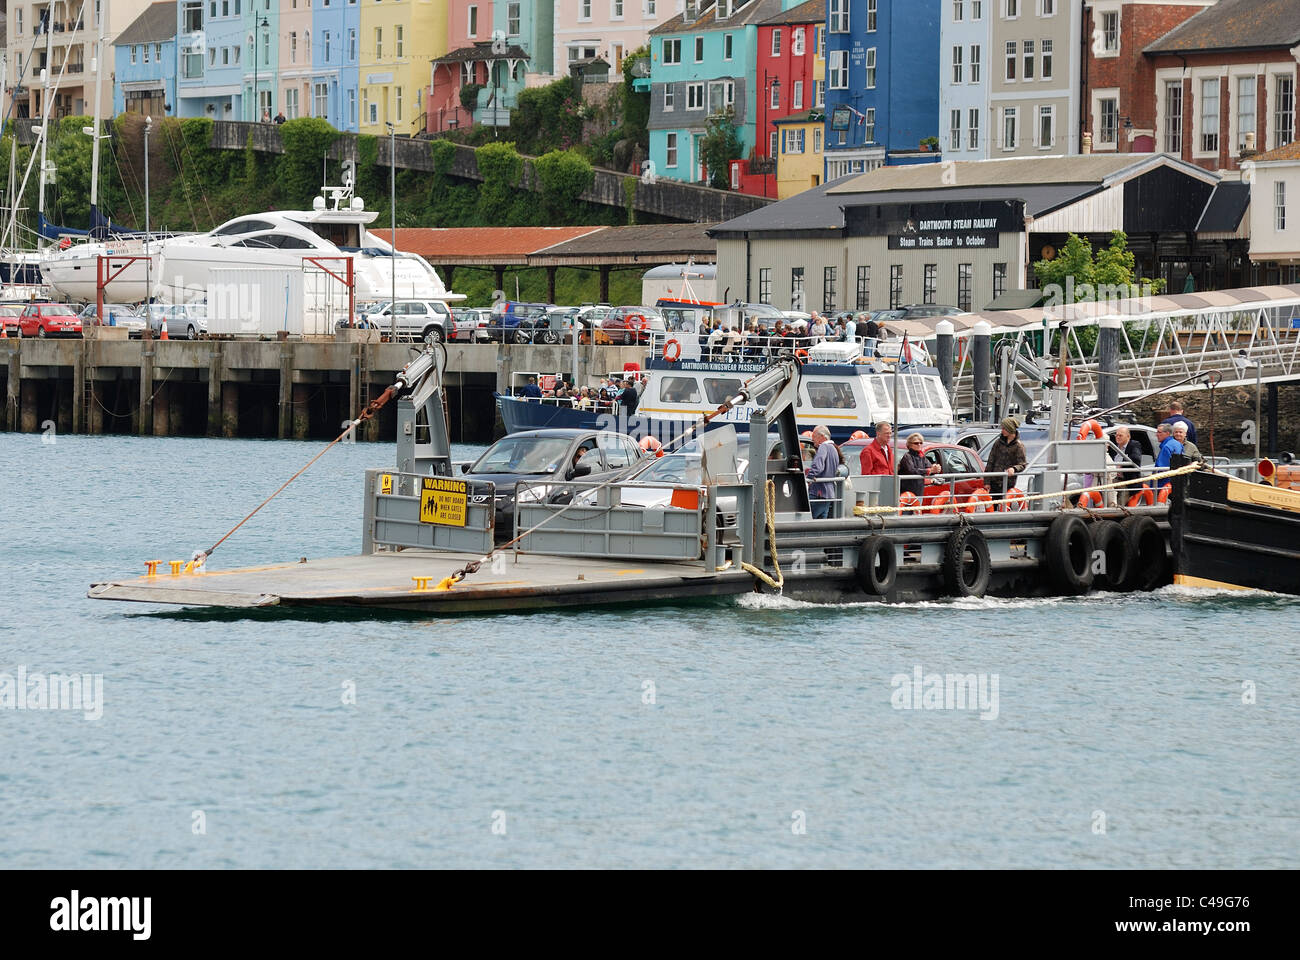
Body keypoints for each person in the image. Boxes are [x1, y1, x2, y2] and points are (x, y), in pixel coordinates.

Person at [983, 417, 1028, 495]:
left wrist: (1014, 469)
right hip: (994, 481)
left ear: (1010, 429)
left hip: (1008, 483)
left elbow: (1023, 464)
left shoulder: (1019, 446)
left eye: (1004, 428)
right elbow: (990, 462)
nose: (1002, 430)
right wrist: (987, 481)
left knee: (1004, 505)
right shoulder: (998, 443)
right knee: (992, 505)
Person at [805, 425, 839, 519]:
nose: (813, 439)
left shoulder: (823, 447)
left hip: (818, 492)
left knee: (809, 521)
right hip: (829, 493)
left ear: (822, 437)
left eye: (814, 436)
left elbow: (818, 466)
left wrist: (809, 477)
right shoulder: (833, 449)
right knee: (821, 524)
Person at [898, 432, 941, 498]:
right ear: (909, 445)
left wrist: (936, 468)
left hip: (918, 491)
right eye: (916, 443)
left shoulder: (922, 456)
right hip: (906, 492)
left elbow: (929, 467)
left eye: (921, 443)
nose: (919, 444)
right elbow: (912, 470)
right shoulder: (907, 456)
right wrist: (928, 471)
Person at [1112, 426, 1143, 492]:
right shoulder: (1113, 446)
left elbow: (1136, 458)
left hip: (1127, 482)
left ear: (1128, 436)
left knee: (1120, 500)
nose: (1117, 437)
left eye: (1120, 435)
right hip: (1112, 480)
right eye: (1116, 435)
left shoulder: (1134, 445)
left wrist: (1121, 466)